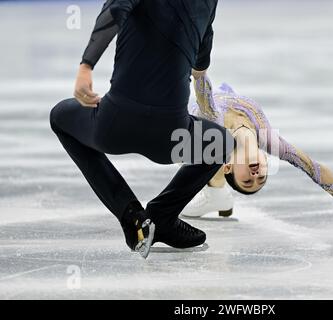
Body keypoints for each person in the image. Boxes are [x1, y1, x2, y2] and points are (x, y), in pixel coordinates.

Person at [49, 0, 235, 258]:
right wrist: (210, 118)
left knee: (60, 117)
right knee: (222, 142)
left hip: (113, 127)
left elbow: (113, 12)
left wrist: (86, 66)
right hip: (170, 138)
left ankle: (131, 216)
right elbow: (200, 67)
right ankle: (163, 216)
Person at [181, 73, 333, 220]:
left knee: (199, 145)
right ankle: (217, 191)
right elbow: (314, 169)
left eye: (247, 180)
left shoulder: (215, 127)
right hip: (224, 95)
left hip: (189, 108)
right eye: (261, 178)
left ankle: (215, 189)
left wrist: (199, 61)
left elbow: (202, 88)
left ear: (229, 167)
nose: (256, 175)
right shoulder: (269, 141)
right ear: (266, 161)